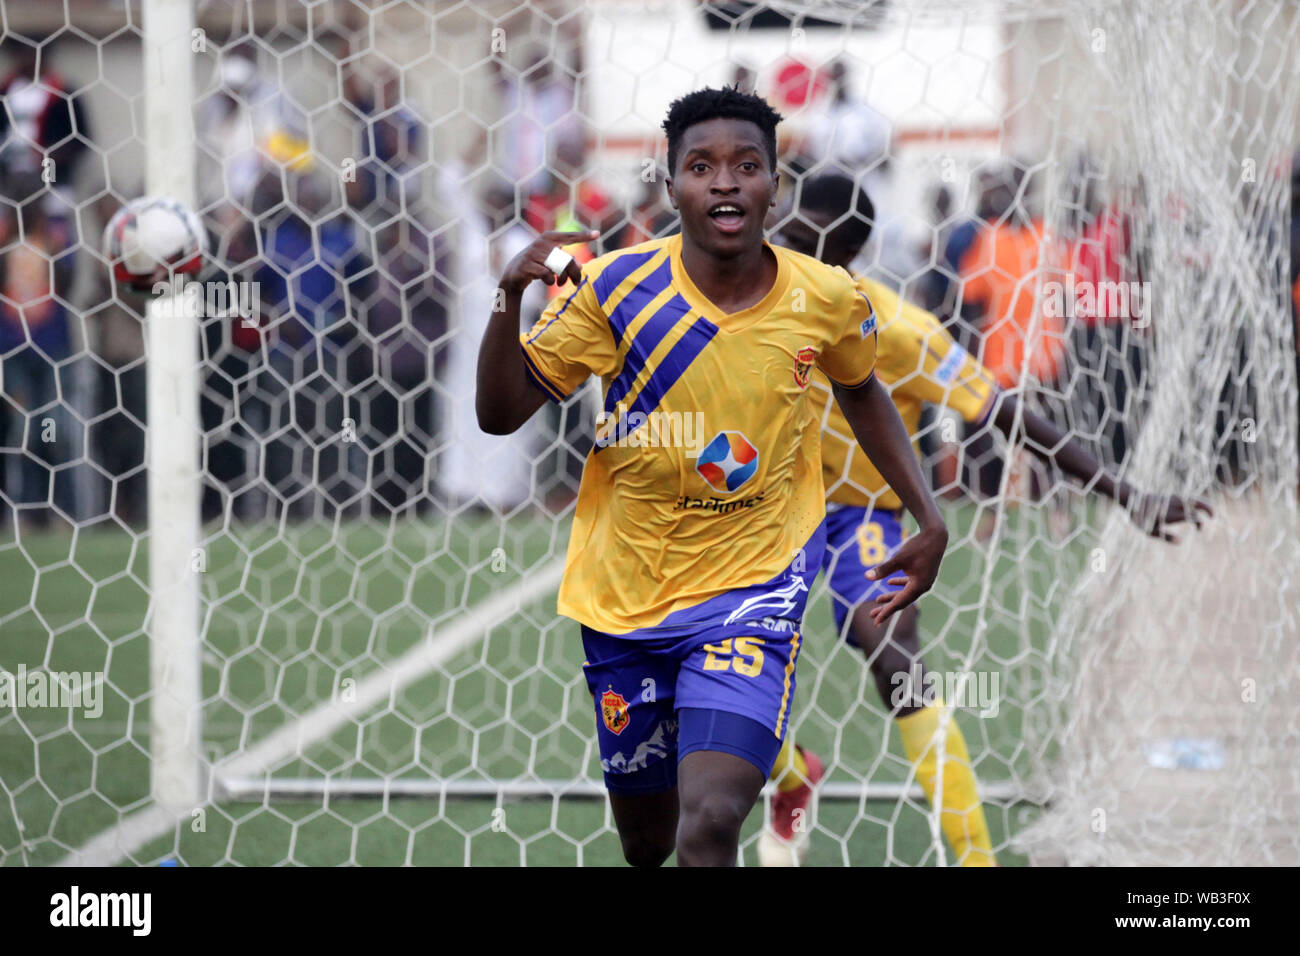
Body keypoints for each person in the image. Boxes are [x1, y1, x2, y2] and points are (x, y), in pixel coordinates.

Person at [476, 87, 949, 867]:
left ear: (774, 186)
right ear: (672, 186)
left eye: (746, 165)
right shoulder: (616, 290)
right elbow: (500, 413)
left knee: (714, 818)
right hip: (625, 596)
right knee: (648, 844)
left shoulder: (827, 297)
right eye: (701, 166)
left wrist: (926, 516)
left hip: (754, 590)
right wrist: (508, 295)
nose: (724, 182)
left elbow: (863, 390)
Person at [765, 173, 1214, 866]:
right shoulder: (752, 302)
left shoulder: (900, 329)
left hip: (865, 514)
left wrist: (1127, 492)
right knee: (719, 656)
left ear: (841, 254)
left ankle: (976, 858)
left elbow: (1010, 416)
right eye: (781, 231)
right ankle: (792, 776)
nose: (778, 247)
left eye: (796, 239)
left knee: (896, 659)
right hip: (770, 507)